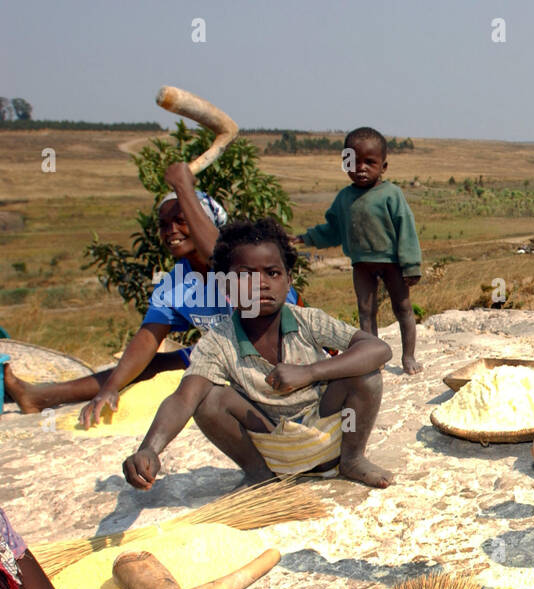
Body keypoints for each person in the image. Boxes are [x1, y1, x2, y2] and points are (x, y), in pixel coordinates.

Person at [3, 164, 296, 425]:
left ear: (204, 222)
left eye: (181, 220)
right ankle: (39, 397)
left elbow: (219, 256)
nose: (171, 231)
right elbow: (148, 338)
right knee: (148, 365)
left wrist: (183, 187)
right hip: (226, 358)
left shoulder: (244, 264)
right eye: (164, 225)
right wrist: (111, 388)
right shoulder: (175, 282)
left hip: (275, 355)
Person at [122, 218, 394, 491]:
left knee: (366, 374)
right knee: (209, 399)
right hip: (271, 444)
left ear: (288, 281)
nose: (261, 284)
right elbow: (183, 399)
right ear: (225, 285)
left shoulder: (308, 320)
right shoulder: (218, 342)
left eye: (272, 273)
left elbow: (378, 349)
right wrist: (149, 449)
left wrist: (309, 372)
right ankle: (259, 475)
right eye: (245, 275)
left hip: (328, 432)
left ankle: (352, 458)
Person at [294, 127, 423, 374]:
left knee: (403, 308)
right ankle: (373, 358)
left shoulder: (391, 195)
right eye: (354, 162)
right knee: (366, 310)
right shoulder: (344, 198)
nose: (360, 168)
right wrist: (304, 238)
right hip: (361, 264)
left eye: (369, 162)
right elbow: (332, 229)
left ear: (383, 166)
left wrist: (411, 265)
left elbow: (406, 230)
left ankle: (408, 357)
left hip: (392, 262)